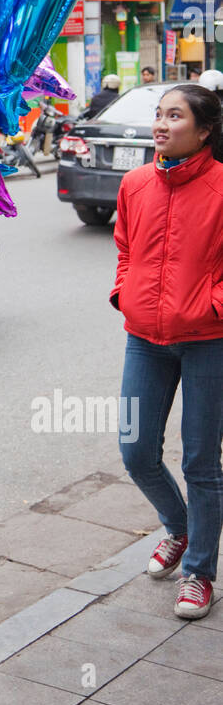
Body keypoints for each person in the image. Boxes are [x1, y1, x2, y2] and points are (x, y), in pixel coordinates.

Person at [110, 85, 223, 620]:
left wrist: (210, 308)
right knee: (135, 450)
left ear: (203, 131)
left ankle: (199, 571)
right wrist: (123, 293)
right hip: (144, 338)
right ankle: (179, 528)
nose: (160, 123)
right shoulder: (134, 184)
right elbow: (125, 249)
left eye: (174, 116)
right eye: (158, 114)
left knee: (201, 460)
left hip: (208, 340)